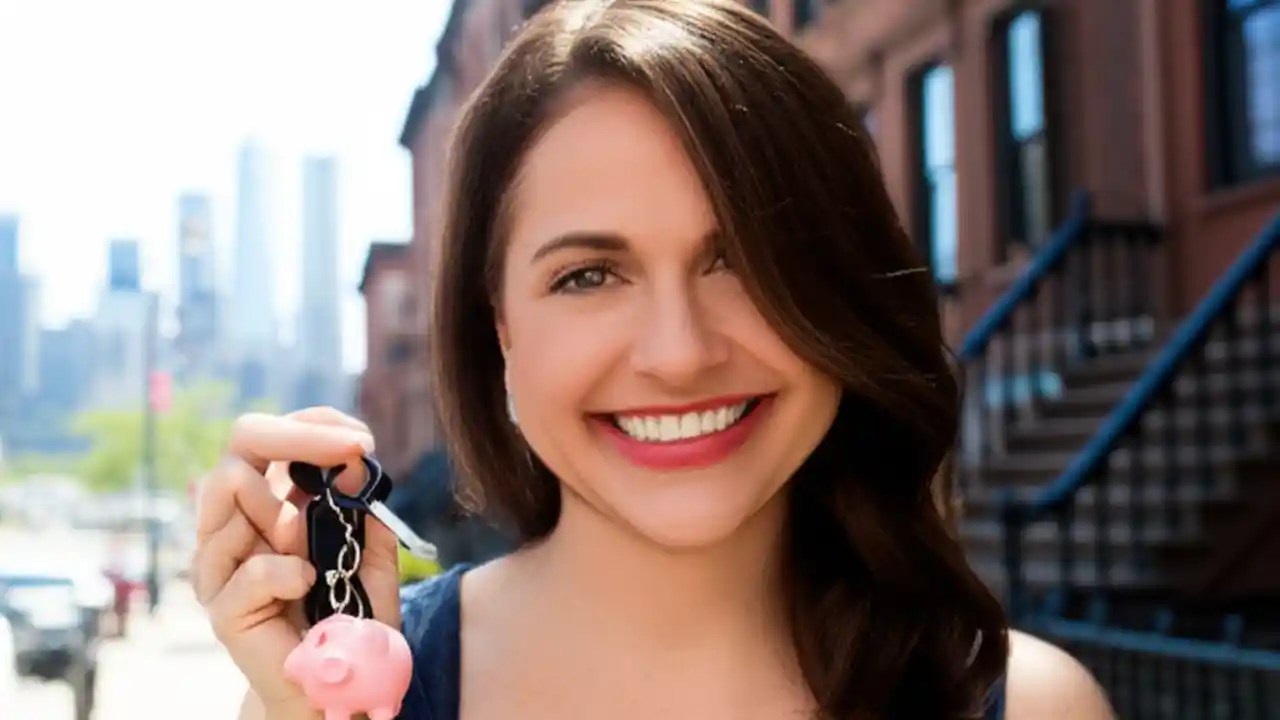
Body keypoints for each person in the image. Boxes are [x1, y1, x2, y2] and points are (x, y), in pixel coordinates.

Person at [192, 1, 1116, 718]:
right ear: (501, 327)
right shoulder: (340, 698)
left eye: (743, 259)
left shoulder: (1025, 704)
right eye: (591, 275)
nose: (679, 354)